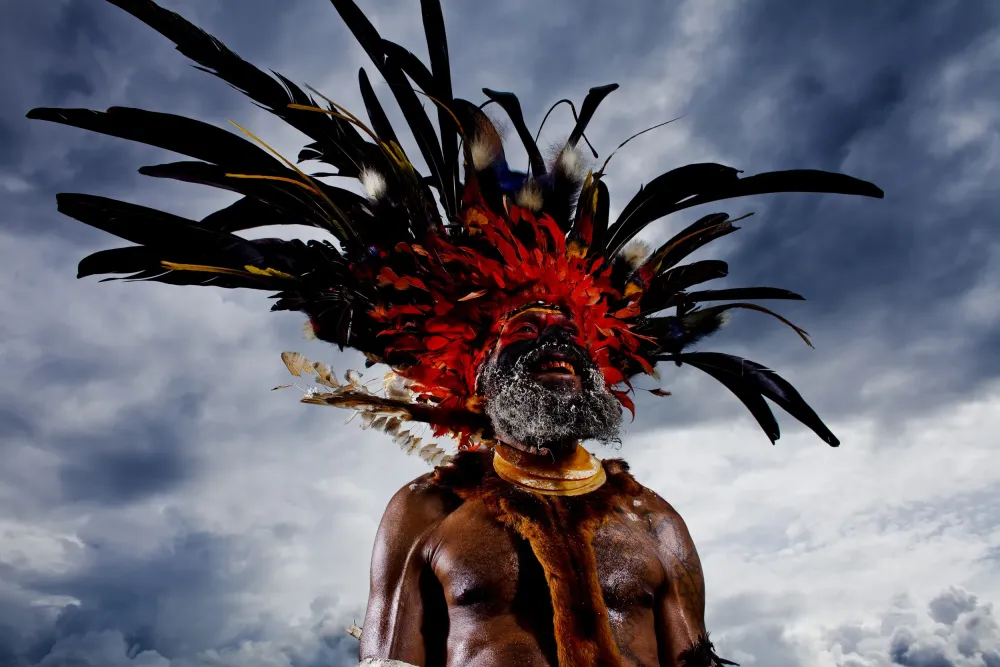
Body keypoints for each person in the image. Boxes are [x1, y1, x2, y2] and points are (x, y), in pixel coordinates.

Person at [30, 1, 883, 665]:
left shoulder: (654, 519)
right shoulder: (428, 512)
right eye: (527, 331)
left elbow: (695, 657)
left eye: (571, 332)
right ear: (477, 374)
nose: (558, 345)